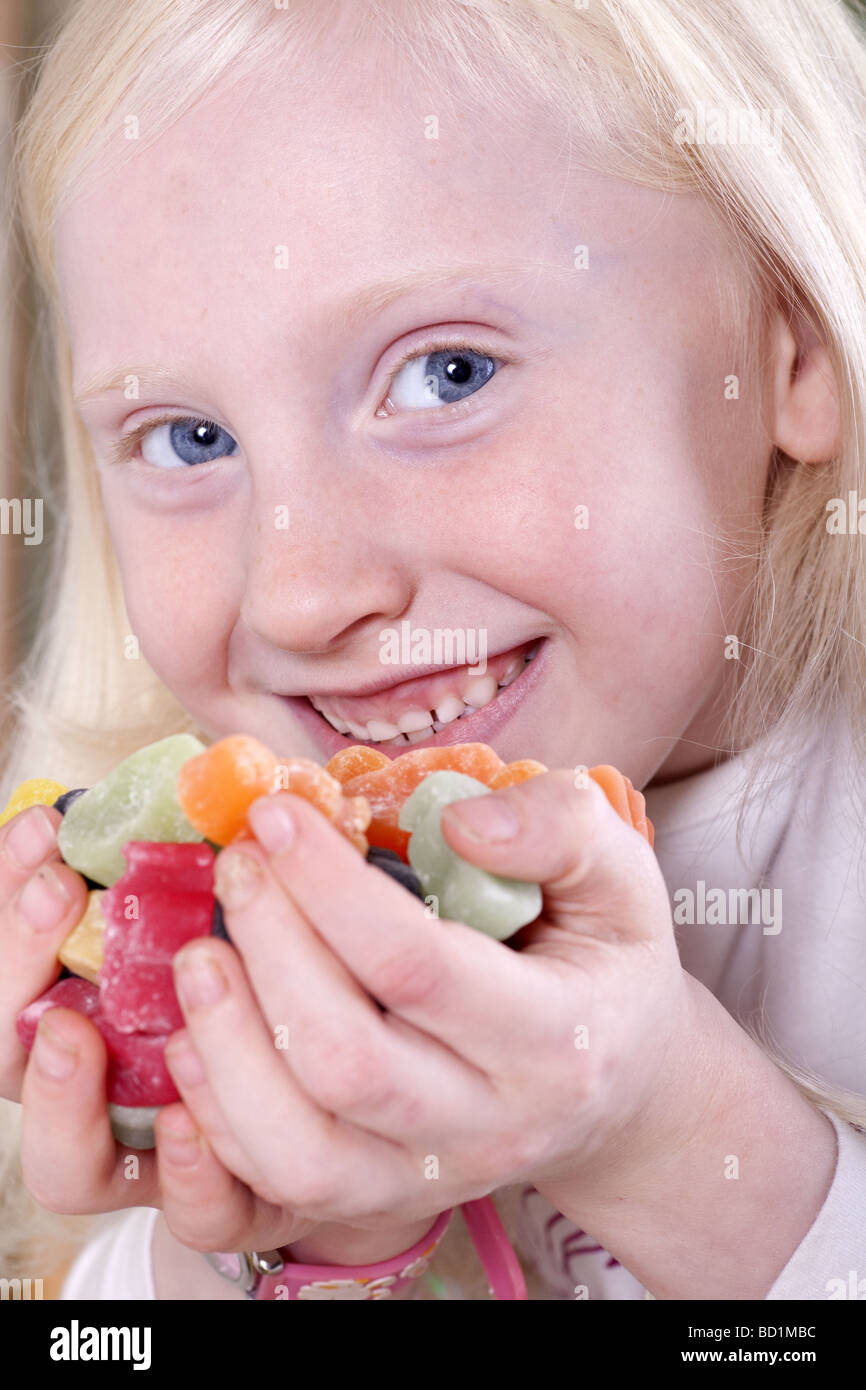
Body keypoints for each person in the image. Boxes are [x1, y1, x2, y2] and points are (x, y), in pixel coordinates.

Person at [1, 0, 865, 1300]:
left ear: (786, 342)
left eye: (447, 373)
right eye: (190, 439)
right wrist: (269, 1225)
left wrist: (664, 1139)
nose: (297, 595)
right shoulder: (180, 921)